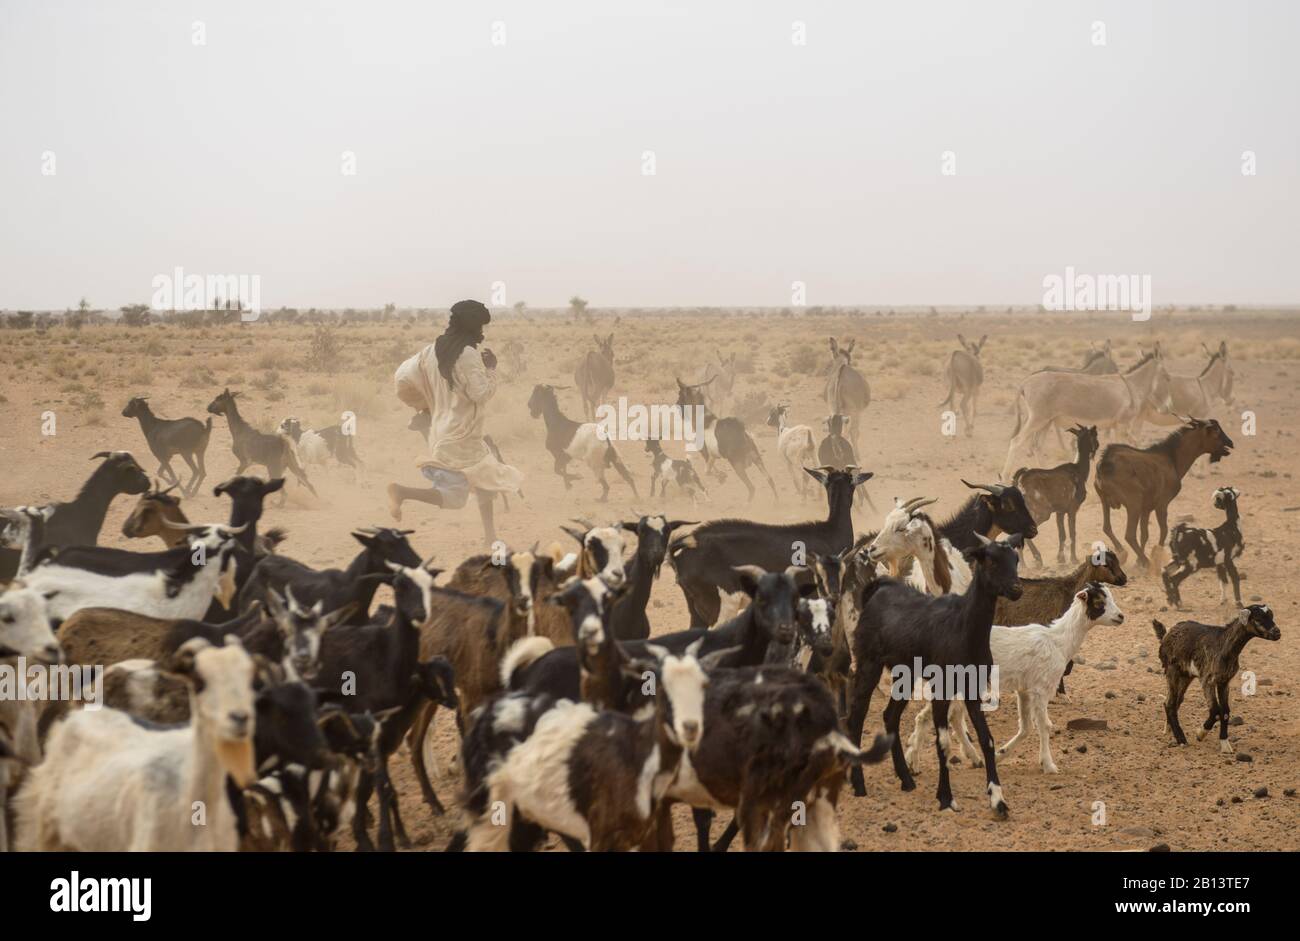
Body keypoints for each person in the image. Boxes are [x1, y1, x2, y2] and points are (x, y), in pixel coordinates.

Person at [388, 299, 522, 544]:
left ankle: (490, 537)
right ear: (470, 326)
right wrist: (491, 369)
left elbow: (401, 379)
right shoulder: (467, 354)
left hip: (441, 432)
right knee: (463, 493)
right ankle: (401, 492)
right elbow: (480, 394)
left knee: (485, 481)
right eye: (479, 326)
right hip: (461, 436)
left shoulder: (430, 352)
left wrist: (427, 407)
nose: (482, 332)